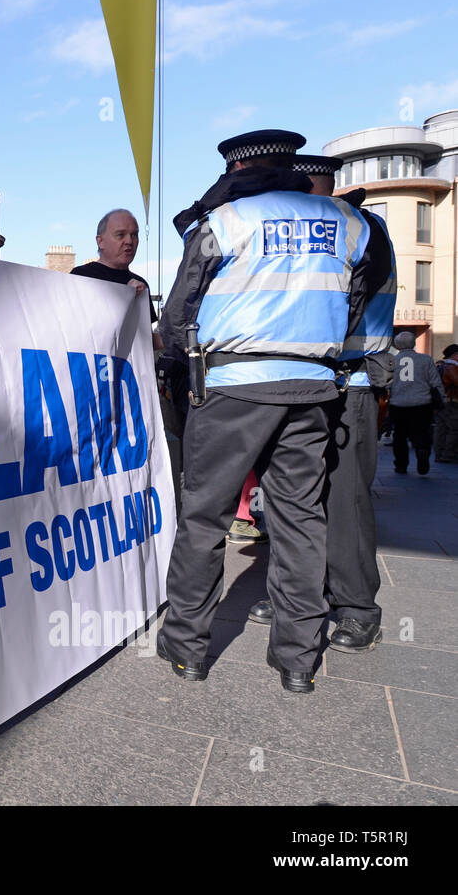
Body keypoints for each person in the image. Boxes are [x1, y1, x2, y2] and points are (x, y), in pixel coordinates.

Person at [158, 129, 369, 694]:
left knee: (205, 517)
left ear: (237, 171)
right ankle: (298, 661)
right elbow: (361, 300)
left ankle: (187, 650)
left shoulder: (227, 222)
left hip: (234, 385)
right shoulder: (349, 224)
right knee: (301, 520)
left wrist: (189, 355)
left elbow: (178, 314)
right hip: (313, 385)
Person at [248, 155, 398, 655]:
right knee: (294, 497)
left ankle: (357, 609)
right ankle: (298, 595)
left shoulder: (360, 231)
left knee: (345, 498)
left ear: (318, 190)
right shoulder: (331, 233)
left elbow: (339, 305)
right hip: (307, 380)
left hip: (349, 381)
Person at [72, 208, 164, 350]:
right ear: (100, 241)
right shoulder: (81, 276)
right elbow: (71, 331)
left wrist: (181, 339)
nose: (129, 241)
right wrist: (122, 298)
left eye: (134, 235)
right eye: (120, 235)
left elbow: (144, 341)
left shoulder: (141, 284)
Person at [388, 330, 445, 474]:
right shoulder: (426, 359)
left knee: (399, 435)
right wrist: (441, 400)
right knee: (422, 432)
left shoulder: (392, 361)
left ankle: (401, 464)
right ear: (414, 343)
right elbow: (435, 382)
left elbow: (387, 383)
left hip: (398, 403)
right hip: (422, 402)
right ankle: (422, 450)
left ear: (397, 345)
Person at [435, 343, 458, 463]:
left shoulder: (445, 366)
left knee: (441, 428)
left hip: (443, 400)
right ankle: (447, 454)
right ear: (455, 355)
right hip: (451, 402)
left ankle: (439, 454)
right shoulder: (451, 367)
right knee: (454, 429)